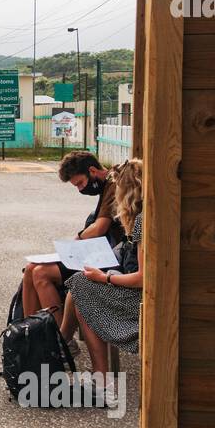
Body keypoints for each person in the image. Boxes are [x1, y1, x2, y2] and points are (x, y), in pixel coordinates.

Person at [21, 151, 122, 327]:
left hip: (111, 257)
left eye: (81, 183)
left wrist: (76, 240)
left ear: (92, 170)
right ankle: (29, 333)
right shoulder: (107, 185)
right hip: (101, 250)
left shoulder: (113, 185)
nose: (81, 189)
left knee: (41, 273)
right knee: (30, 268)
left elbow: (100, 227)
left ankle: (62, 342)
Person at [62, 158, 144, 371]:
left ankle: (98, 373)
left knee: (82, 288)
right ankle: (65, 346)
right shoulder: (144, 218)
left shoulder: (142, 223)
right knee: (80, 283)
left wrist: (104, 277)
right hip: (139, 292)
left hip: (140, 300)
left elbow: (143, 277)